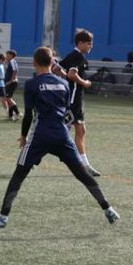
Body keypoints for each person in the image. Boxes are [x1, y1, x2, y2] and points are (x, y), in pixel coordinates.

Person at [0, 46, 119, 233]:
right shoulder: (63, 84)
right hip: (62, 135)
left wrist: (24, 137)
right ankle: (108, 209)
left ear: (34, 63)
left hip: (40, 135)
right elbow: (65, 111)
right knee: (82, 174)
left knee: (18, 175)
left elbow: (29, 115)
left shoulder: (32, 85)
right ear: (52, 62)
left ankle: (3, 217)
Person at [59, 28, 99, 172]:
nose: (91, 46)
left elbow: (57, 68)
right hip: (73, 100)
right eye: (89, 43)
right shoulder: (78, 57)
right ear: (80, 43)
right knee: (62, 132)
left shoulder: (73, 56)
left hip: (75, 99)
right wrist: (85, 83)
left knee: (79, 130)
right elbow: (71, 74)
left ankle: (84, 164)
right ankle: (34, 154)